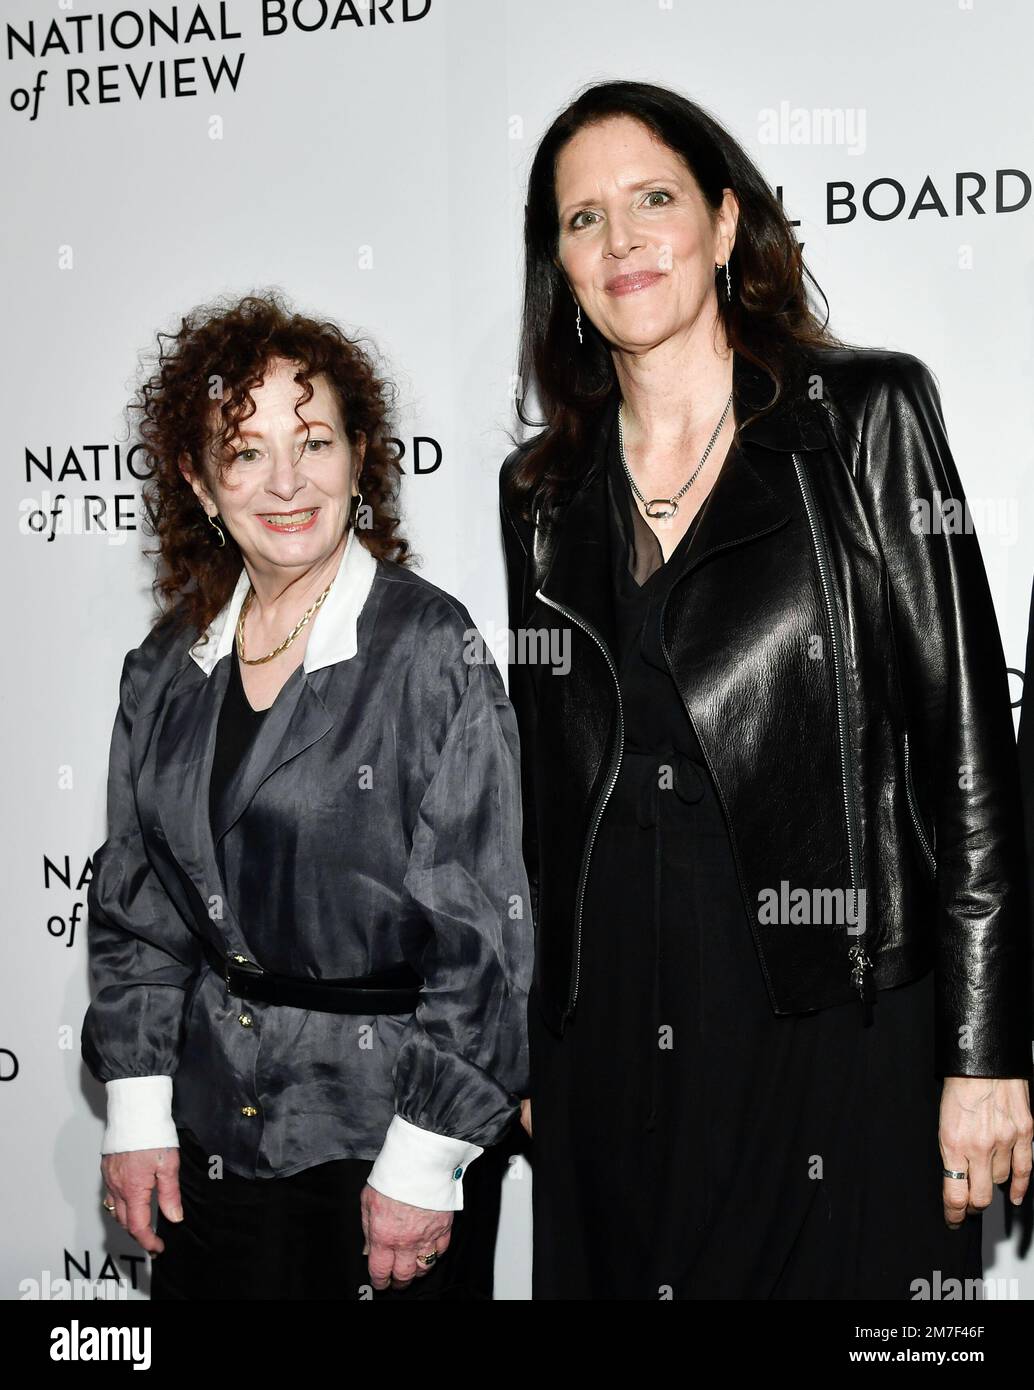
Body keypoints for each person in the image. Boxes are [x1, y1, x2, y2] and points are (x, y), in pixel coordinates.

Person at [499, 80, 1033, 1300]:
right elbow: (542, 802)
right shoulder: (539, 495)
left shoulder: (860, 418)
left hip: (833, 1019)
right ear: (560, 268)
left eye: (652, 201)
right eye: (583, 220)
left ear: (725, 222)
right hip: (613, 1046)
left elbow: (965, 749)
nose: (621, 240)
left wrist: (983, 1048)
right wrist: (532, 1035)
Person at [82, 291, 533, 1300]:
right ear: (200, 482)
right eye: (244, 452)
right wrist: (139, 1114)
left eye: (314, 441)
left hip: (383, 1143)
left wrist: (422, 1164)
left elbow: (486, 937)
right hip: (205, 1147)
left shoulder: (427, 649)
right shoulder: (163, 668)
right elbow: (136, 918)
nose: (285, 481)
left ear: (358, 459)